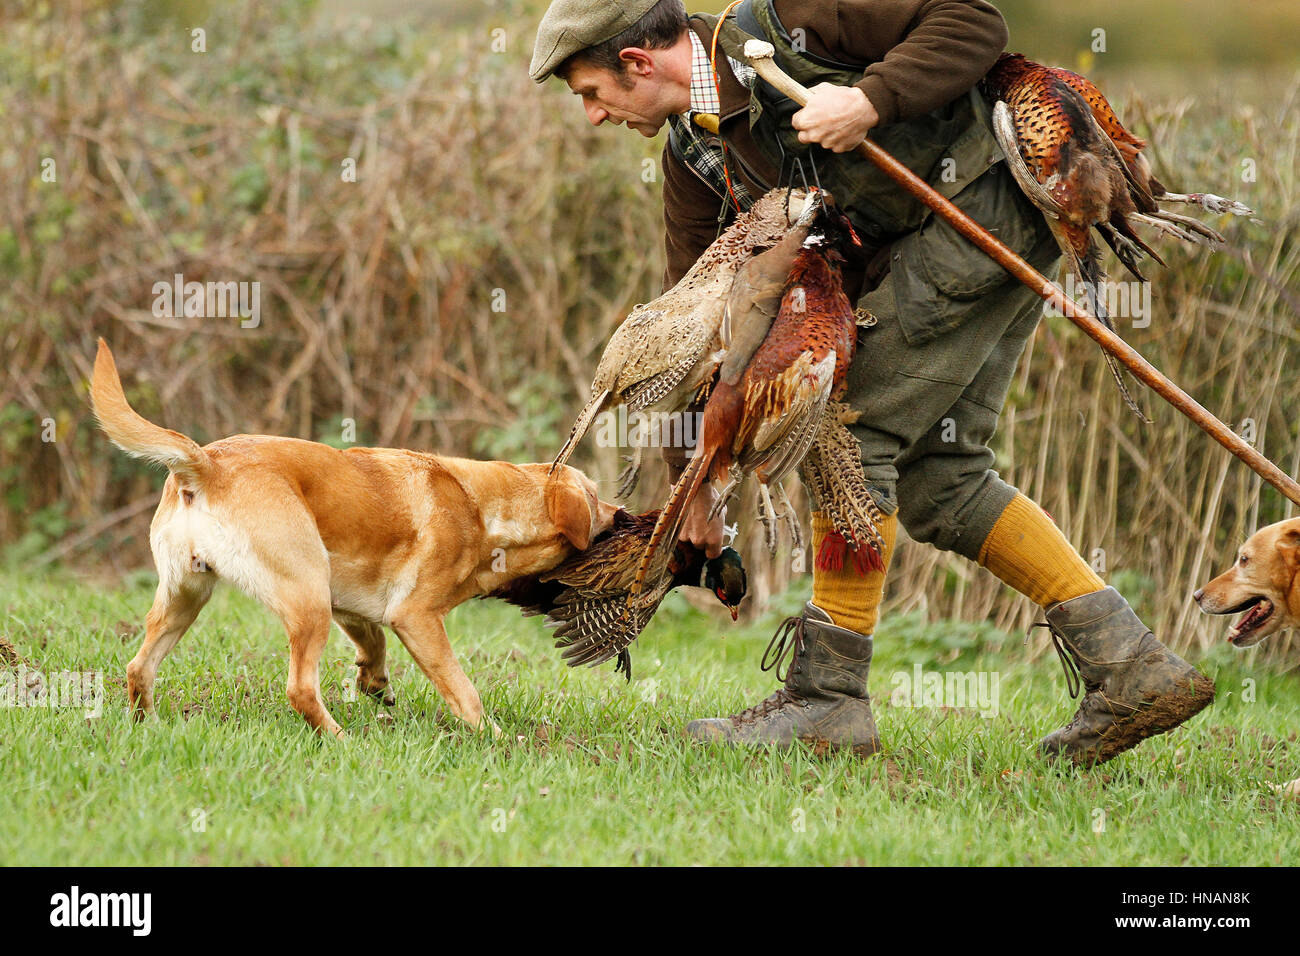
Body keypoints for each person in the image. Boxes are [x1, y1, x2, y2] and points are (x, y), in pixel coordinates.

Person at [529, 0, 1214, 765]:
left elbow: (974, 22)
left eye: (590, 94)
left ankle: (827, 703)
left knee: (847, 437)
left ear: (636, 63)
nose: (593, 117)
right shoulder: (694, 161)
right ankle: (1131, 666)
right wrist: (692, 488)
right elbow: (699, 337)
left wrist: (868, 100)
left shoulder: (788, 24)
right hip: (955, 245)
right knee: (942, 479)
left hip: (983, 212)